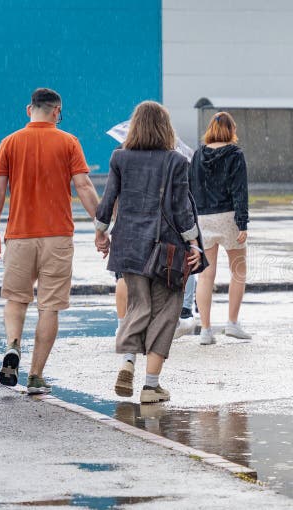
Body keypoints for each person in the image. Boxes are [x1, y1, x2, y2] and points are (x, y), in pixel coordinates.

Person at [0, 88, 101, 394]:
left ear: (29, 110)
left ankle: (13, 344)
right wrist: (101, 225)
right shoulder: (68, 142)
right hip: (58, 237)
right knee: (49, 307)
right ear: (56, 112)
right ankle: (36, 376)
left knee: (16, 299)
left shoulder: (10, 142)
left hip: (20, 235)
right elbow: (84, 186)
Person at [95, 101, 202, 404]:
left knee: (137, 306)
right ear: (166, 128)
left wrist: (101, 231)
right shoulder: (176, 161)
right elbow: (182, 209)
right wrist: (193, 243)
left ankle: (128, 362)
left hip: (129, 244)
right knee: (166, 312)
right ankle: (151, 386)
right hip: (166, 247)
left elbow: (108, 200)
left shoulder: (120, 158)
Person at [189, 111, 250, 345]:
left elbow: (191, 188)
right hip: (228, 217)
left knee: (205, 276)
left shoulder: (197, 155)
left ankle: (205, 330)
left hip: (203, 218)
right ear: (232, 130)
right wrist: (242, 223)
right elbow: (239, 190)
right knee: (238, 271)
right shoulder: (235, 155)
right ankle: (232, 323)